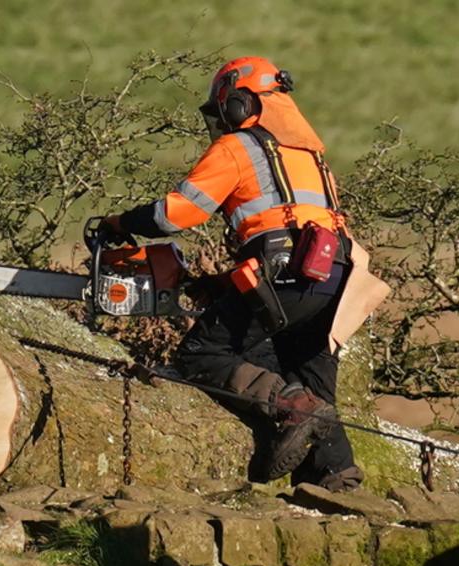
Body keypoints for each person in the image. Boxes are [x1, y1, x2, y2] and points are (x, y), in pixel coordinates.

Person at [98, 56, 364, 492]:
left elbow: (174, 214)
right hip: (334, 279)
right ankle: (335, 479)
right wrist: (222, 285)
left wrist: (120, 223)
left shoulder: (238, 148)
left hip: (284, 274)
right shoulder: (312, 158)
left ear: (240, 104)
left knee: (201, 354)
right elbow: (293, 225)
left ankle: (293, 407)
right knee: (306, 371)